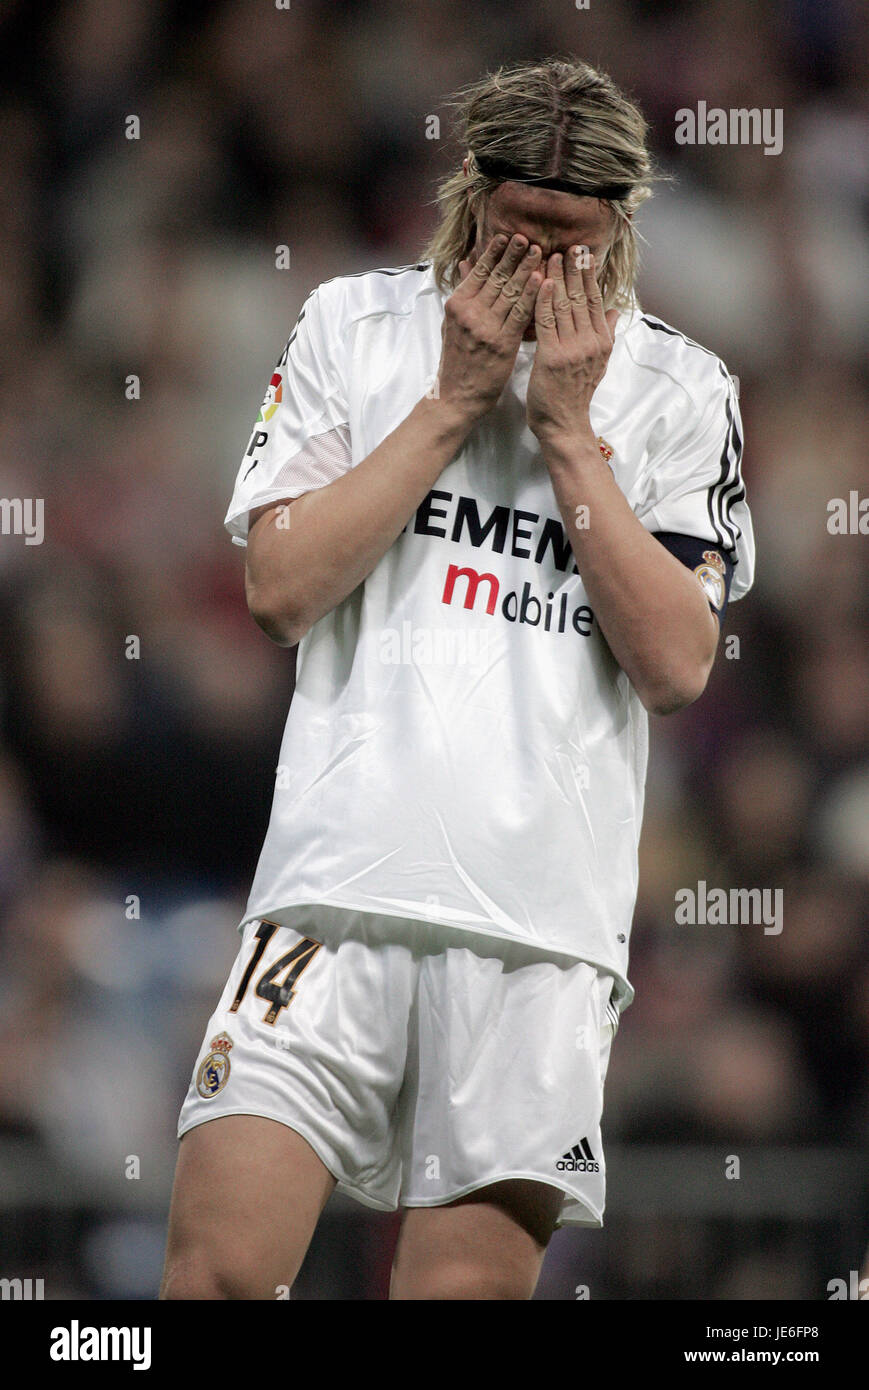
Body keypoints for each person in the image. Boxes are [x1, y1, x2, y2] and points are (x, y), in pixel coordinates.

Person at [160, 57, 754, 1301]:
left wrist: (567, 436)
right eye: (516, 230)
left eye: (573, 240)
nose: (541, 266)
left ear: (621, 228)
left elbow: (673, 664)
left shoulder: (681, 391)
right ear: (467, 195)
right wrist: (450, 406)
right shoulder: (348, 326)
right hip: (332, 893)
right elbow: (278, 590)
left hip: (536, 935)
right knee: (214, 1277)